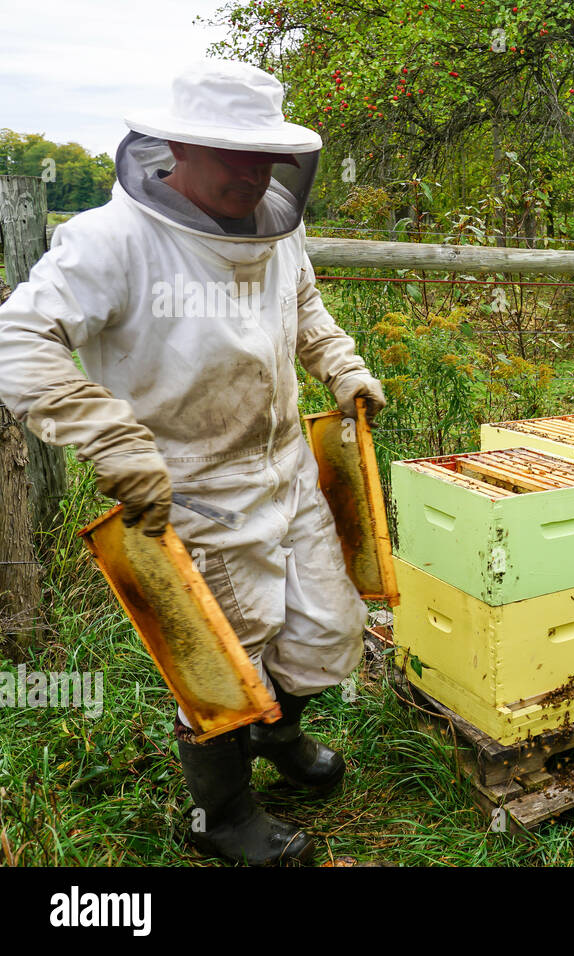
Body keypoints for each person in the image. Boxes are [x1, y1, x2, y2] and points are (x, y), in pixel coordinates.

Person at [0, 60, 386, 863]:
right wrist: (108, 437)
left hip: (286, 468)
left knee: (325, 630)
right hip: (186, 494)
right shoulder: (111, 240)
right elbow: (17, 339)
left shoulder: (279, 229)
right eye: (230, 153)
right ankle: (225, 818)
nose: (253, 173)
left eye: (264, 157)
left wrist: (342, 365)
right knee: (220, 664)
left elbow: (304, 306)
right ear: (176, 145)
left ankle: (279, 737)